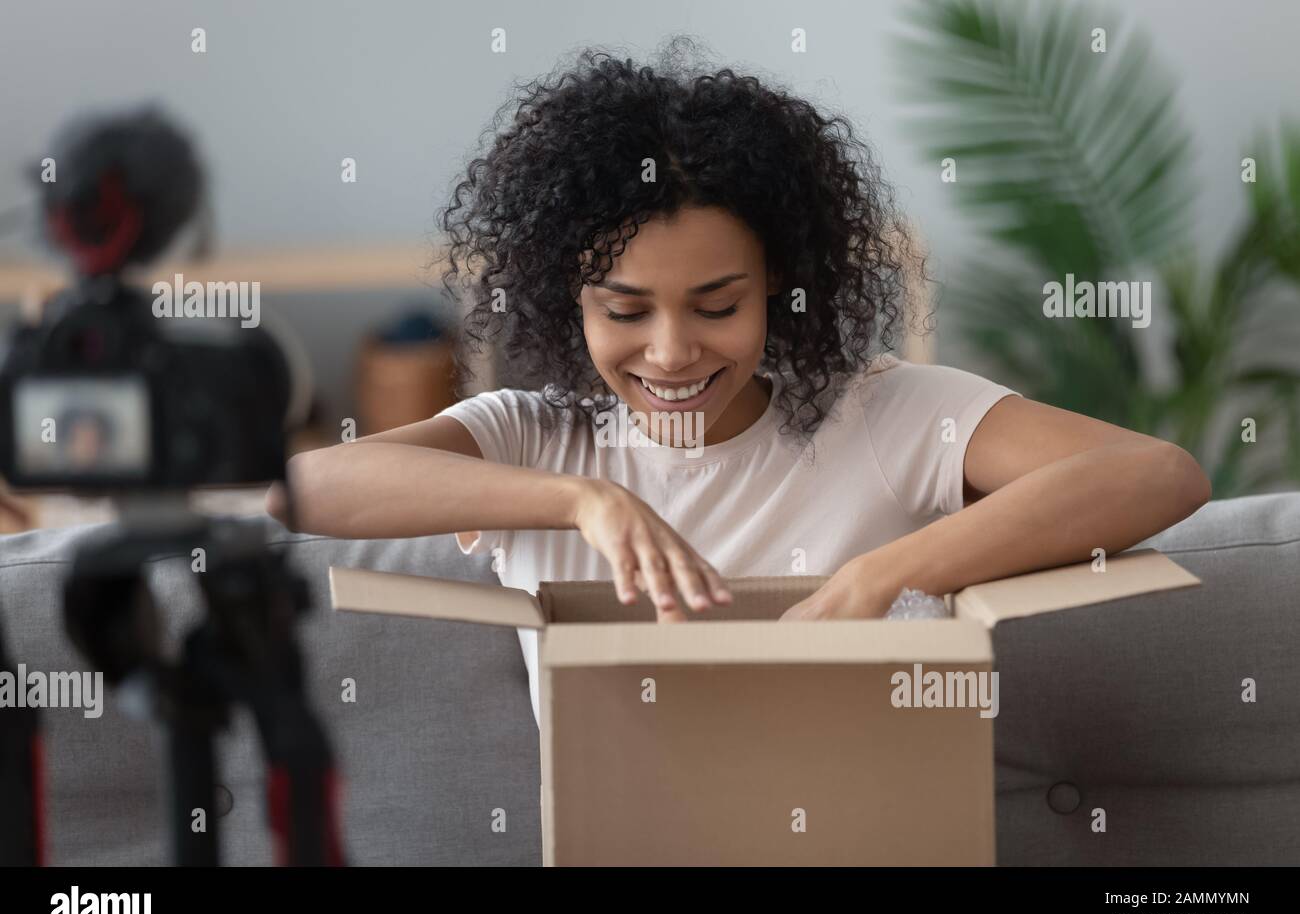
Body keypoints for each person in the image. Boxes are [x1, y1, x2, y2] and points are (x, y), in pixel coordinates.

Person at [266, 42, 1210, 729]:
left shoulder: (878, 413)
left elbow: (1158, 473)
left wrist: (880, 576)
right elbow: (302, 489)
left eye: (717, 305)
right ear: (569, 304)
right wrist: (582, 501)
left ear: (780, 289)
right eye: (625, 312)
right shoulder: (535, 437)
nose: (672, 353)